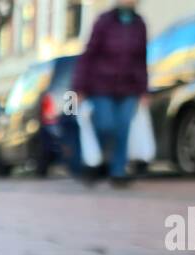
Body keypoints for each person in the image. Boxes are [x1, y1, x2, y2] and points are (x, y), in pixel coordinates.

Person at [72, 0, 148, 188]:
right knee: (106, 125)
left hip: (129, 87)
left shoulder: (139, 25)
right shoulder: (104, 22)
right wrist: (79, 87)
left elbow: (142, 59)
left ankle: (118, 172)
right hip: (101, 87)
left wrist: (144, 90)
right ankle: (96, 161)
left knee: (123, 129)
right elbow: (88, 55)